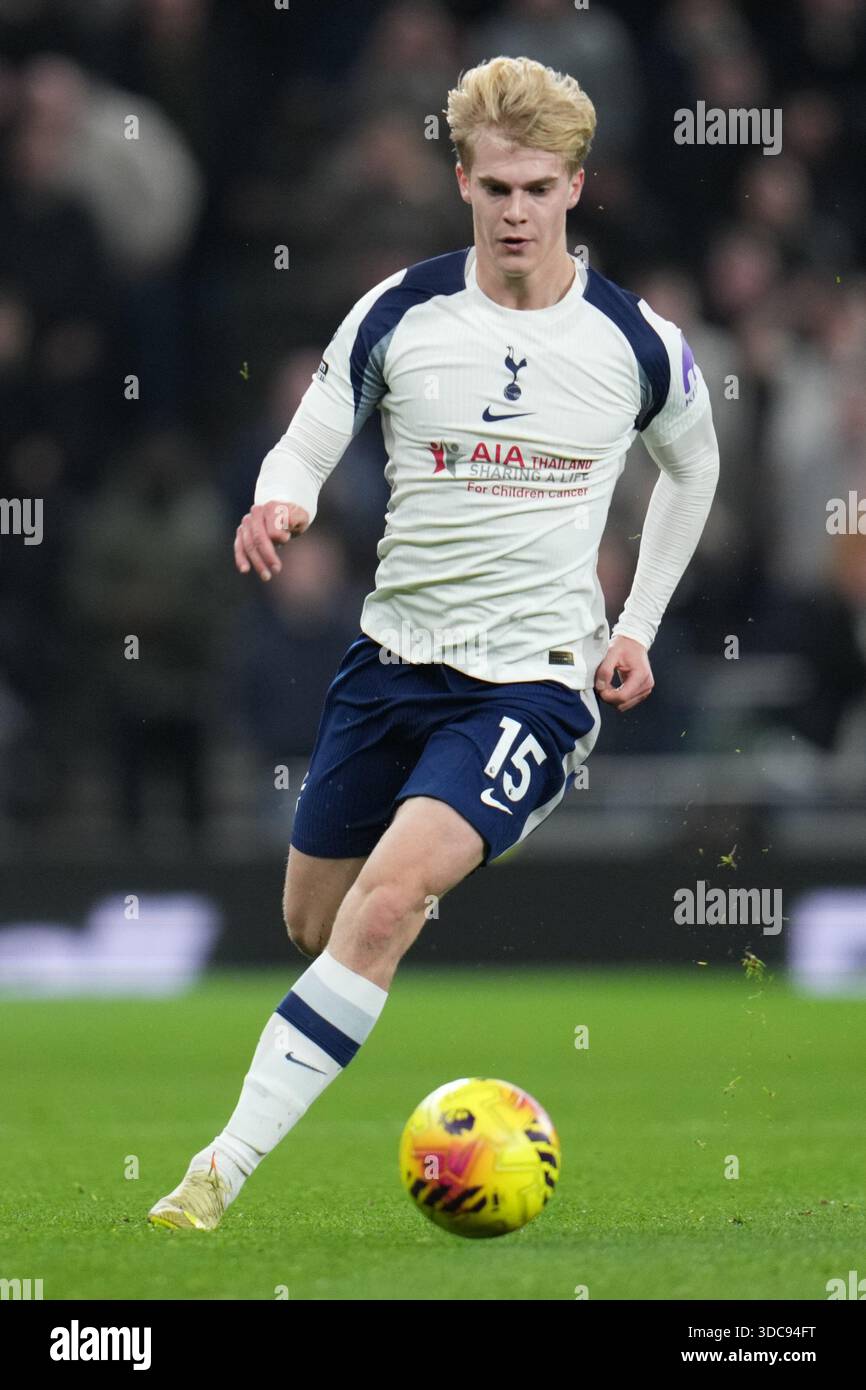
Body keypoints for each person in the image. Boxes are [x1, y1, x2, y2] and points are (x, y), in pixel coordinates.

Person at [148, 55, 719, 1229]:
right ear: (461, 180)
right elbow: (307, 435)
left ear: (574, 187)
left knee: (384, 903)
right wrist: (280, 499)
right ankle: (388, 919)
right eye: (495, 186)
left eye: (538, 188)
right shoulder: (401, 311)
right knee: (315, 920)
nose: (515, 211)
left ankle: (214, 1174)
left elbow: (692, 466)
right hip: (391, 664)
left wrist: (637, 625)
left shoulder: (634, 341)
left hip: (535, 687)